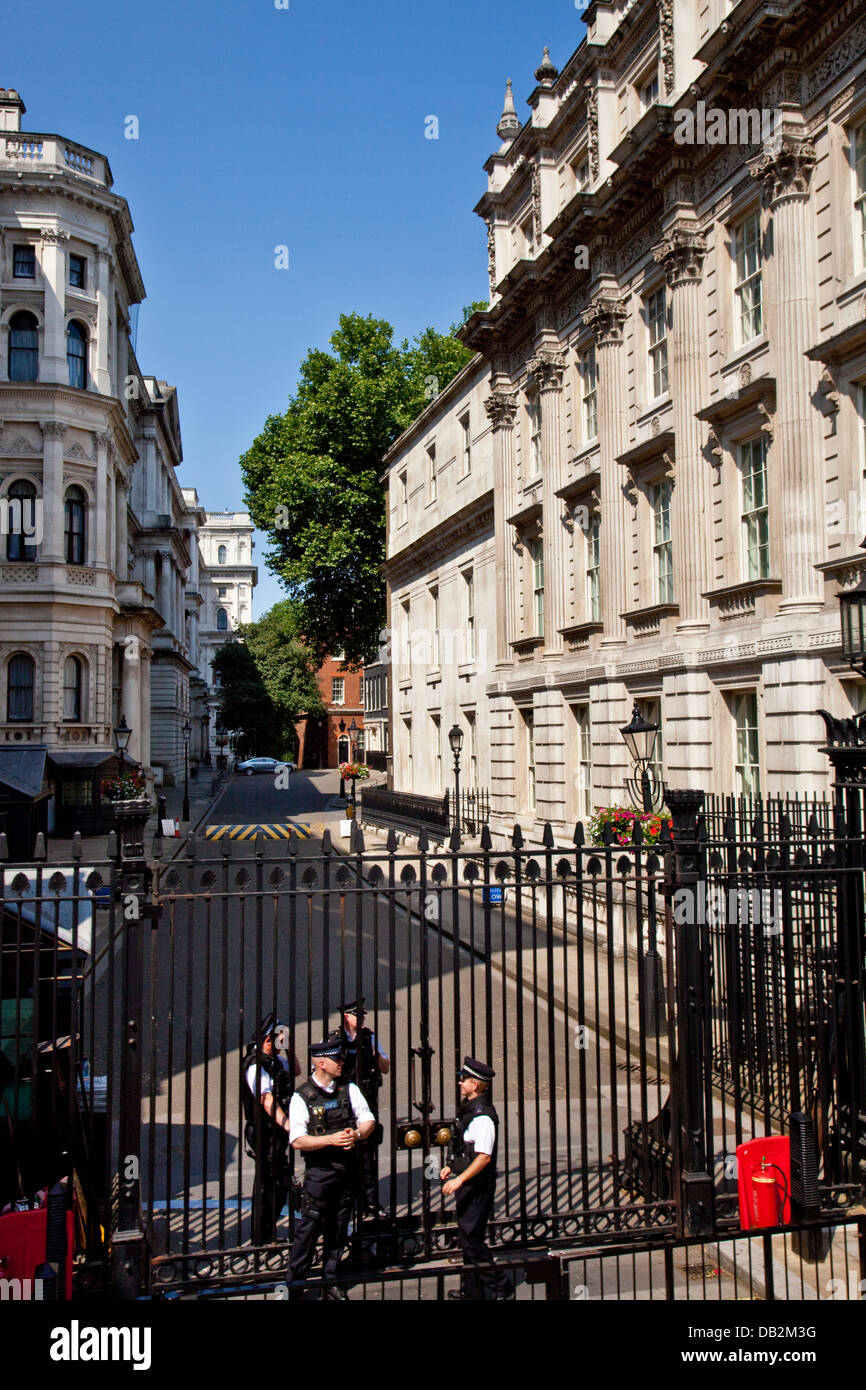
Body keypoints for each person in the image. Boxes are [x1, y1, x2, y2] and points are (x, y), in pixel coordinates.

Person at [286, 1031, 375, 1300]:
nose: (342, 1062)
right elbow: (298, 1140)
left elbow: (368, 1119)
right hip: (319, 1173)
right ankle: (294, 1286)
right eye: (337, 1059)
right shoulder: (302, 1097)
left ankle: (331, 1279)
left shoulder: (350, 1089)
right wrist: (329, 1140)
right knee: (307, 1231)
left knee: (338, 1229)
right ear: (320, 1063)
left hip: (346, 1171)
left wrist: (357, 1135)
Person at [440, 1057, 513, 1301]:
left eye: (464, 1080)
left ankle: (500, 1287)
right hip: (469, 1183)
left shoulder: (483, 1117)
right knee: (468, 1238)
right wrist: (451, 1168)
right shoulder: (471, 1109)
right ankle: (473, 1291)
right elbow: (466, 1149)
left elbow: (483, 1158)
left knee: (472, 1240)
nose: (460, 1083)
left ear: (475, 1084)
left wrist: (459, 1181)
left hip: (478, 1186)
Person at [242, 1014, 302, 1246]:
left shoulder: (275, 1060)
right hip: (264, 1132)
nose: (282, 1041)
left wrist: (287, 1048)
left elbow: (295, 1070)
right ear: (269, 1039)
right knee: (268, 1184)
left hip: (276, 1133)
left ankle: (267, 1231)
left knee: (279, 1181)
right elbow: (266, 1099)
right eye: (280, 1038)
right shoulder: (256, 1065)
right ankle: (262, 1237)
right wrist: (288, 1124)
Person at [340, 999, 389, 1214]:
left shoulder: (370, 1037)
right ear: (346, 1017)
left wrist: (374, 1053)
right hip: (343, 1104)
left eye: (362, 1016)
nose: (361, 1020)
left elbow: (385, 1068)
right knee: (343, 1153)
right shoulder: (335, 1038)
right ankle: (346, 1200)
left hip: (367, 1101)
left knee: (368, 1155)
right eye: (356, 1015)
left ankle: (369, 1202)